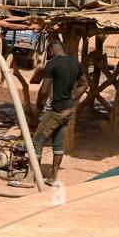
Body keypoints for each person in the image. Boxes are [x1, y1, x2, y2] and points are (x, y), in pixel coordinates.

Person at [12, 40, 85, 186]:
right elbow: (84, 84)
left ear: (51, 49)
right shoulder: (75, 62)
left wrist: (38, 106)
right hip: (68, 109)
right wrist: (71, 99)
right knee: (58, 143)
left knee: (37, 141)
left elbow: (44, 89)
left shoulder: (52, 64)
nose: (48, 55)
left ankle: (29, 179)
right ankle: (53, 178)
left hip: (56, 110)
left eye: (48, 52)